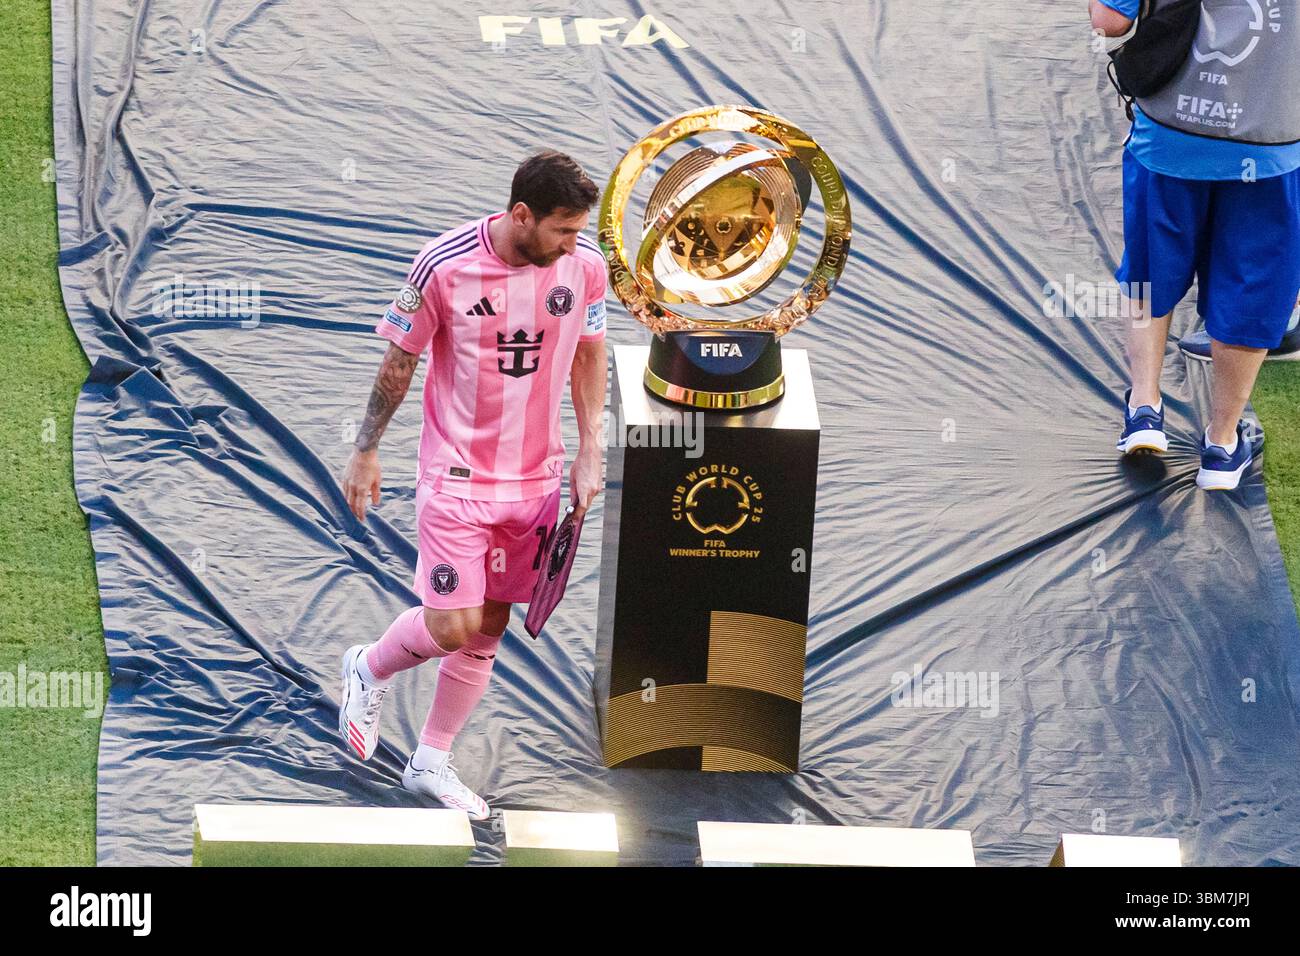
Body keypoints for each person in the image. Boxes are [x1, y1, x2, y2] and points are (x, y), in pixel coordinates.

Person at [336, 151, 608, 818]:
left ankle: (430, 760)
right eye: (563, 230)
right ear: (522, 215)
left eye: (578, 231)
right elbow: (400, 361)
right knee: (452, 623)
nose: (574, 243)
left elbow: (589, 353)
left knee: (489, 623)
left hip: (537, 481)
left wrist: (591, 447)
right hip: (457, 478)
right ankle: (367, 668)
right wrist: (365, 450)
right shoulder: (445, 265)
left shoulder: (585, 270)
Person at [1093, 0, 1300, 490]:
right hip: (1271, 144)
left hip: (1170, 138)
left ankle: (1144, 409)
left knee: (1148, 272)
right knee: (1251, 289)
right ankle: (1222, 445)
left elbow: (1109, 21)